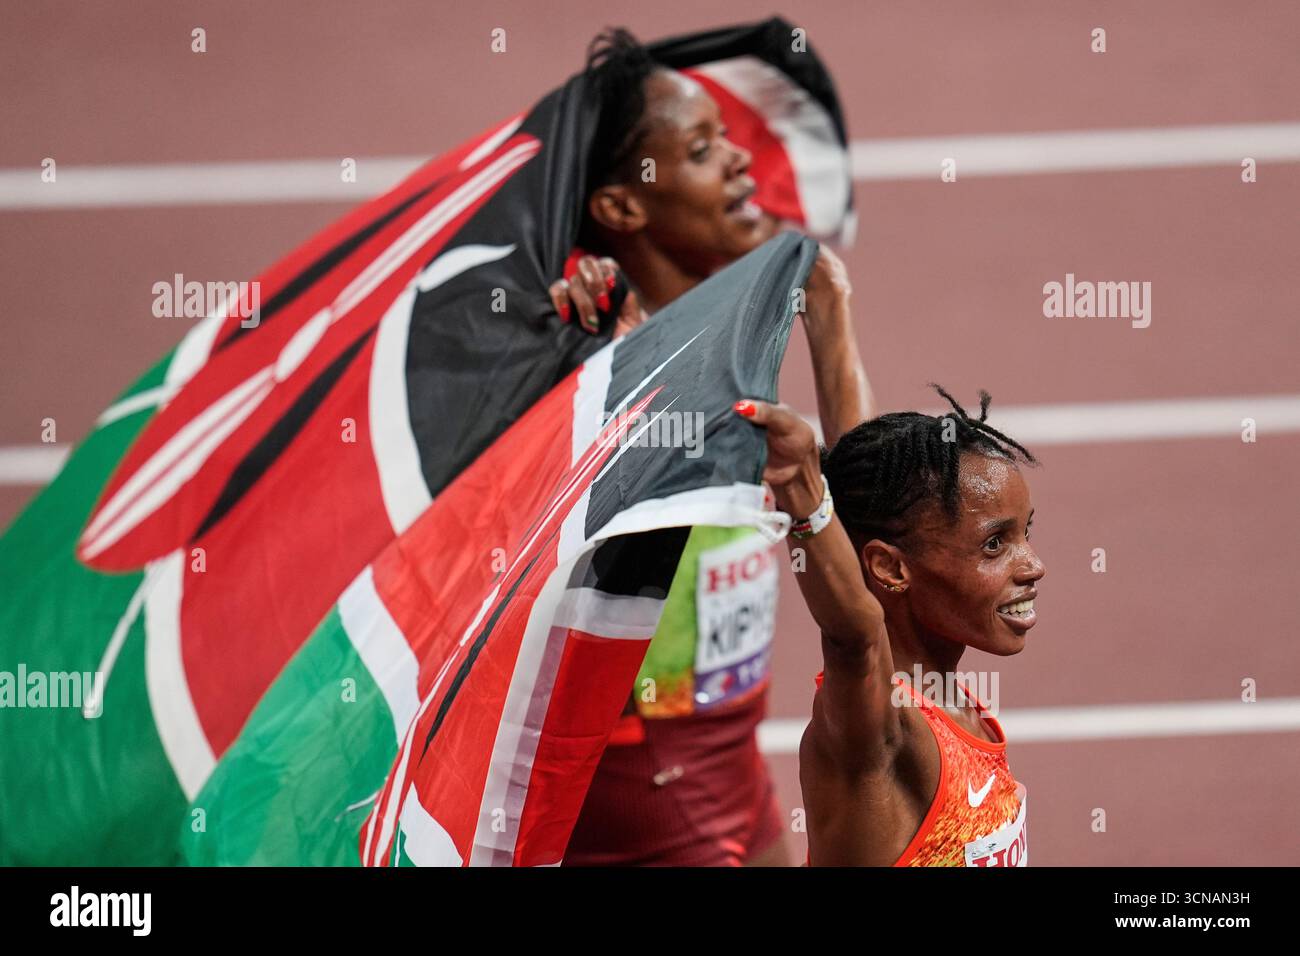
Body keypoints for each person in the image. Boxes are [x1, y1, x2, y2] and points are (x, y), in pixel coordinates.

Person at [552, 29, 872, 866]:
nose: (738, 160)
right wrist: (562, 336)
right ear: (623, 208)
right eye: (700, 149)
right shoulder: (585, 354)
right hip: (638, 771)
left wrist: (828, 314)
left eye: (728, 136)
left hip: (728, 747)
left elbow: (877, 528)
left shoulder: (733, 338)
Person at [734, 387, 1045, 866]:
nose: (1032, 565)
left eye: (1025, 533)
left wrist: (830, 315)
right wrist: (799, 489)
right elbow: (853, 637)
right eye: (994, 546)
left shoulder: (944, 695)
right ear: (891, 569)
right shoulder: (885, 728)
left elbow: (866, 482)